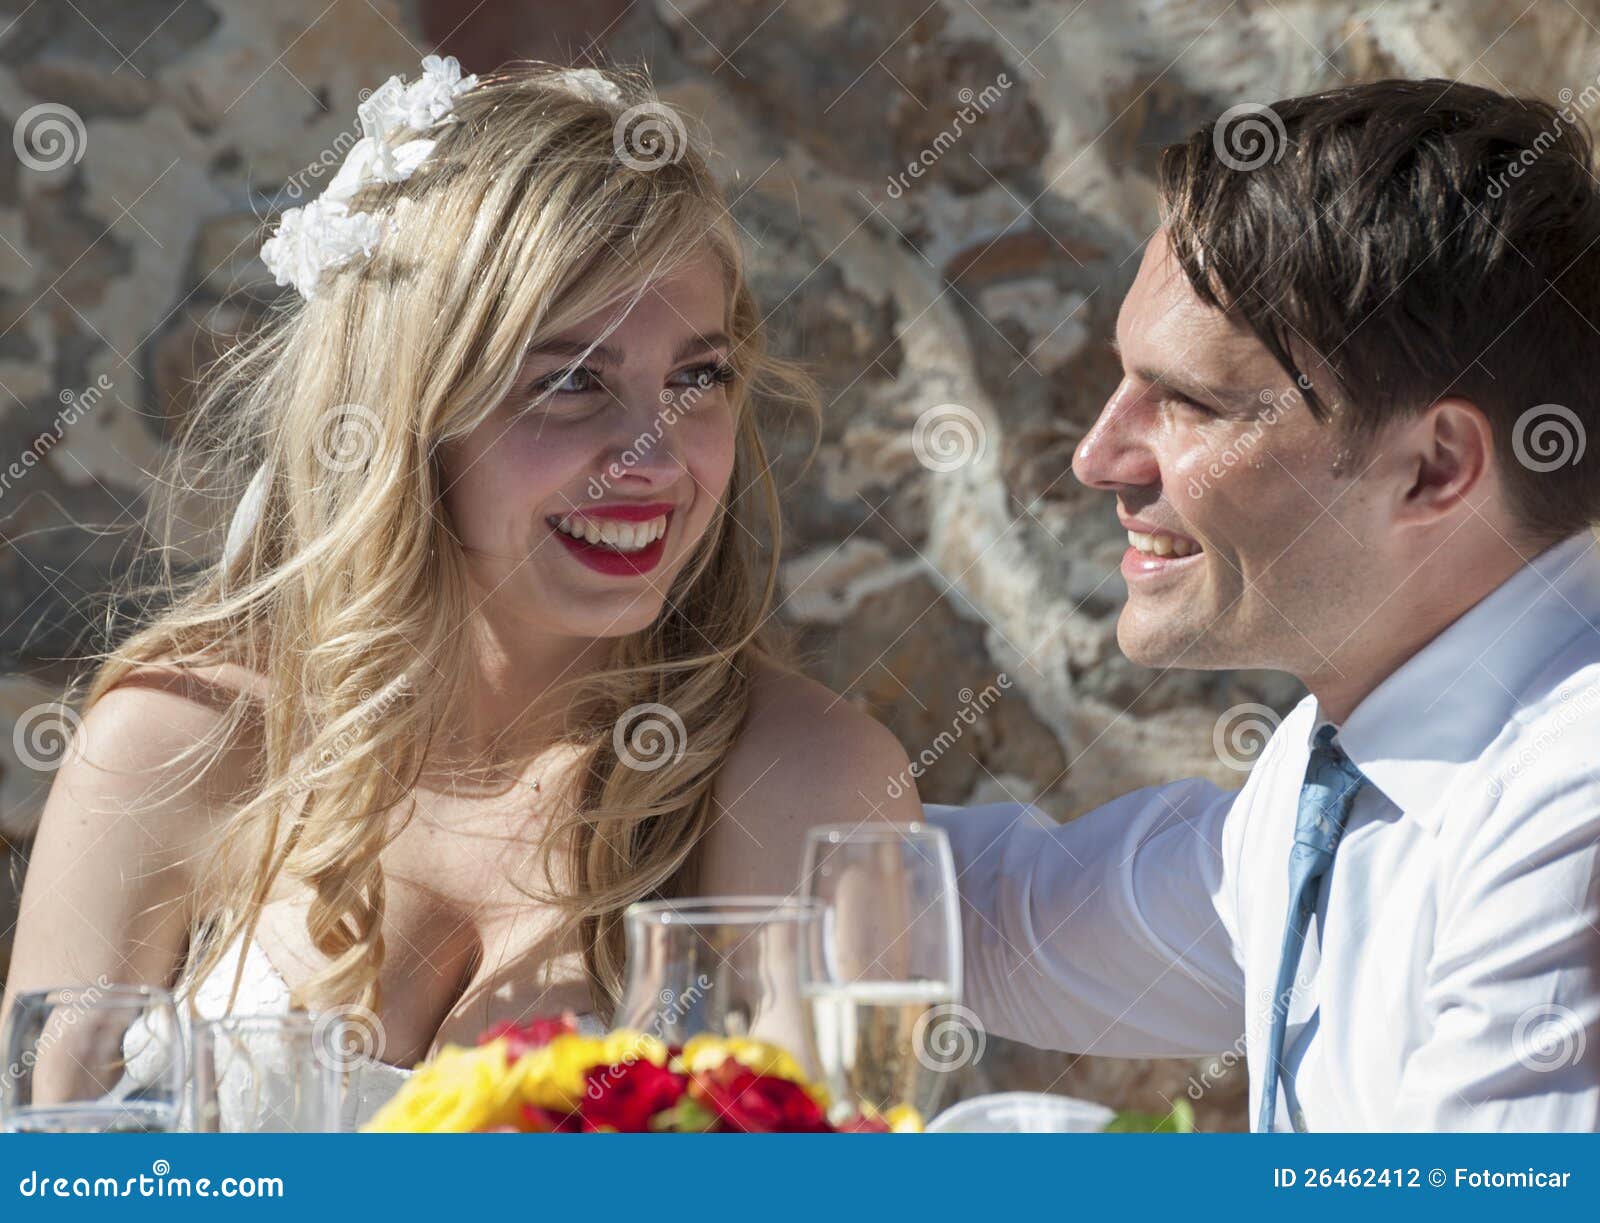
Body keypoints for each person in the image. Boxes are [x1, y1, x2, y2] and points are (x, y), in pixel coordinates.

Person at [3, 59, 918, 1126]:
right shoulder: (175, 741)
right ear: (409, 411)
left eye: (695, 377)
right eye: (569, 381)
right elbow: (48, 1168)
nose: (656, 456)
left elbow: (834, 1181)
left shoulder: (803, 779)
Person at [926, 79, 1600, 1131]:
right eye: (1122, 382)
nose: (1096, 455)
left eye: (1189, 402)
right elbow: (1009, 926)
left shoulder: (1570, 803)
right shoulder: (1333, 763)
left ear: (1433, 467)